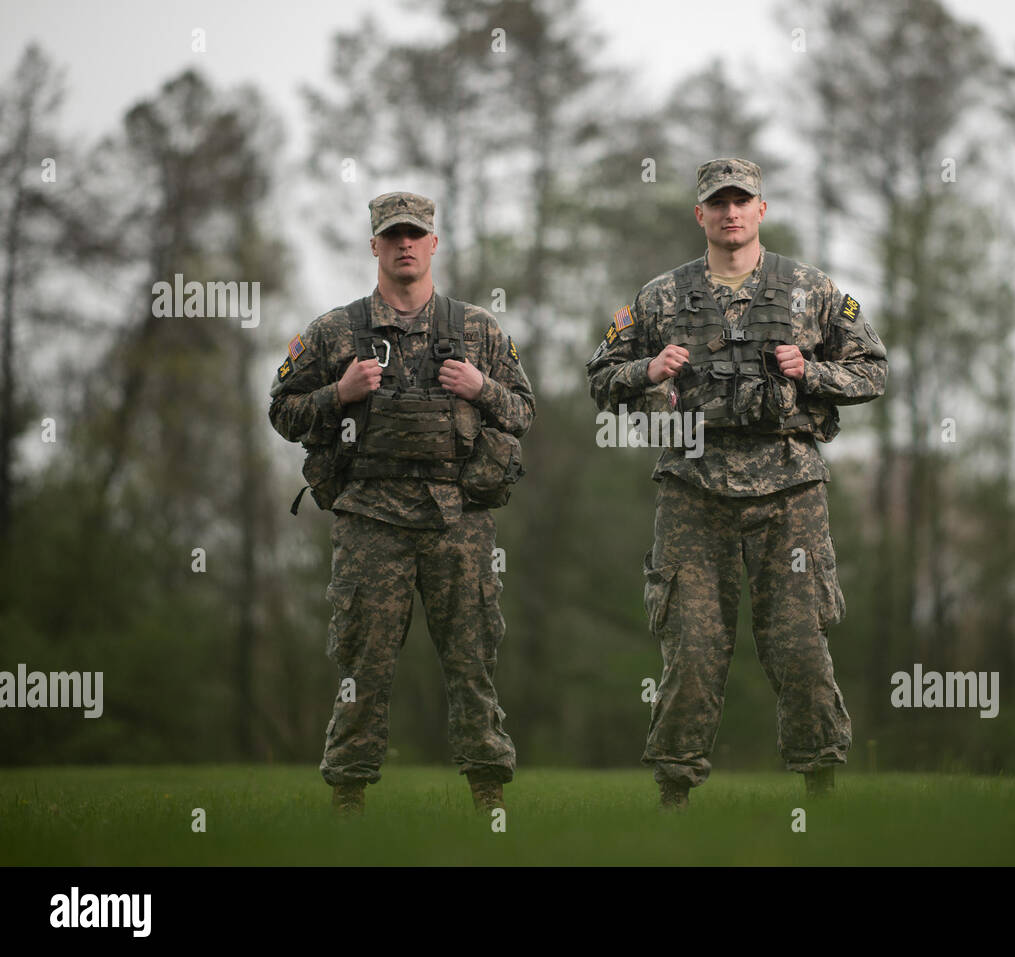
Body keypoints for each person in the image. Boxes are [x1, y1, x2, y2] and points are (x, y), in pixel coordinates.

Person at [586, 158, 887, 808]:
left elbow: (872, 370)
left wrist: (810, 371)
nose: (729, 211)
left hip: (790, 490)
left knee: (800, 642)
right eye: (717, 201)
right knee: (692, 649)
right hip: (693, 491)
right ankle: (675, 794)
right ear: (700, 214)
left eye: (741, 200)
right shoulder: (660, 296)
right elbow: (599, 375)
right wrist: (647, 370)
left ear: (761, 209)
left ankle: (821, 784)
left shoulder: (812, 290)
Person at [269, 191, 533, 815]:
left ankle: (488, 793)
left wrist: (481, 386)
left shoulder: (477, 330)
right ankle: (348, 797)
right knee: (363, 662)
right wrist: (338, 392)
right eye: (392, 236)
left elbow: (523, 412)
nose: (405, 245)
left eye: (415, 235)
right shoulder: (335, 331)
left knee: (472, 662)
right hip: (370, 523)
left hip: (458, 521)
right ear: (375, 247)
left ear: (434, 243)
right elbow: (281, 412)